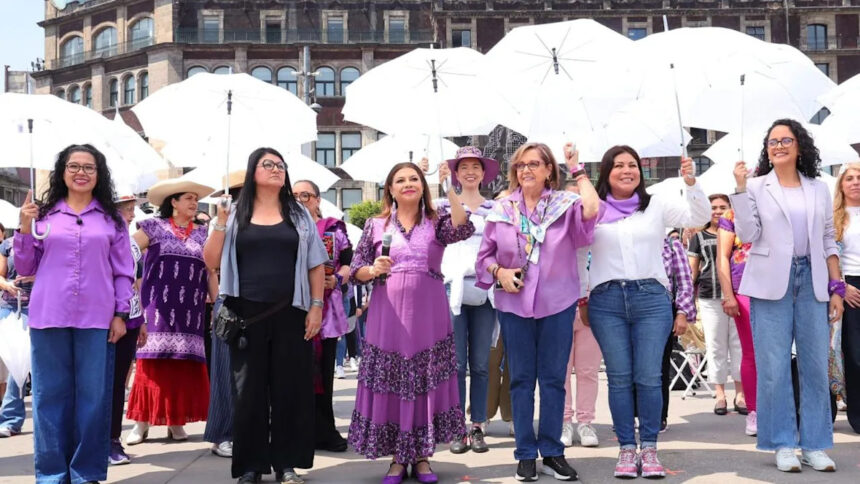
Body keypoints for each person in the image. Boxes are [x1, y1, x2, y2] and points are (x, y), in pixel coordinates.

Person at [476, 142, 599, 481]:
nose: (526, 170)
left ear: (548, 171)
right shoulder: (502, 209)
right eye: (520, 165)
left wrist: (578, 169)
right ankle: (525, 454)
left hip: (557, 303)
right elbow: (484, 258)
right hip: (515, 305)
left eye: (534, 164)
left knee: (553, 380)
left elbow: (592, 209)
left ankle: (553, 452)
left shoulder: (564, 205)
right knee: (520, 380)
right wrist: (499, 273)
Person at [584, 145, 709, 478]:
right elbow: (578, 253)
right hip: (606, 300)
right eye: (619, 165)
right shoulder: (593, 209)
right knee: (620, 377)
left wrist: (692, 184)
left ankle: (650, 448)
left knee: (650, 377)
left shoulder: (656, 203)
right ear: (606, 172)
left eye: (633, 165)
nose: (628, 170)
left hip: (651, 299)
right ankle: (626, 448)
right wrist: (583, 296)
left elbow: (698, 218)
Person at [203, 148, 326, 484]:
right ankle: (250, 466)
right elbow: (210, 260)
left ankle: (287, 463)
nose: (276, 169)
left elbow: (316, 263)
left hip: (292, 312)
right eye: (267, 164)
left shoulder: (299, 213)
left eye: (280, 165)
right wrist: (220, 223)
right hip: (246, 316)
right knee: (248, 394)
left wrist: (316, 306)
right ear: (252, 171)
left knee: (290, 390)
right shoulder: (235, 212)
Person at [348, 162, 474, 484]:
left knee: (424, 382)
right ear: (389, 189)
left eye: (414, 179)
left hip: (428, 316)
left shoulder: (437, 222)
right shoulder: (375, 225)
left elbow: (463, 225)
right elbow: (355, 269)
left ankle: (421, 458)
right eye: (400, 180)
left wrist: (448, 187)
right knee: (392, 385)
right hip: (386, 314)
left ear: (423, 186)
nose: (407, 184)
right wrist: (373, 269)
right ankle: (396, 459)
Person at [16, 144, 134, 483]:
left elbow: (124, 271)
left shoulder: (111, 220)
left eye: (89, 167)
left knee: (93, 401)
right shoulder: (44, 216)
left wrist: (120, 313)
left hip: (97, 320)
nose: (81, 172)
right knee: (49, 401)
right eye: (74, 166)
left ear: (99, 175)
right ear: (62, 172)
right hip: (48, 317)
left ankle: (85, 474)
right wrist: (24, 229)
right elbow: (24, 266)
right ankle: (52, 475)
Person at [729, 118, 842, 472]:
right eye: (772, 141)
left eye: (786, 140)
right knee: (774, 368)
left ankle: (815, 445)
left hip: (813, 280)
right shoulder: (756, 186)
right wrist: (739, 187)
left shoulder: (819, 188)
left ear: (799, 146)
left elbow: (827, 238)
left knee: (814, 368)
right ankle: (781, 443)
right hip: (769, 283)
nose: (778, 145)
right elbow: (747, 234)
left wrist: (836, 286)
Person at [125, 178, 215, 445]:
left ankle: (176, 421)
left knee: (183, 365)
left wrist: (217, 300)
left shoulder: (202, 233)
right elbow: (125, 250)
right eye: (188, 198)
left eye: (195, 198)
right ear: (173, 202)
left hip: (191, 310)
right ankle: (141, 423)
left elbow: (210, 270)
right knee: (151, 364)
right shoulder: (154, 227)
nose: (194, 202)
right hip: (156, 309)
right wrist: (127, 284)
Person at [434, 146, 500, 455]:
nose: (470, 172)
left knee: (482, 364)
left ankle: (479, 426)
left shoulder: (496, 208)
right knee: (457, 363)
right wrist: (428, 177)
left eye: (476, 166)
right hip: (454, 290)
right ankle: (456, 426)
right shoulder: (443, 204)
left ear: (483, 173)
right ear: (456, 173)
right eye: (464, 167)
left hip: (486, 290)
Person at [293, 178, 351, 453]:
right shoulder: (283, 228)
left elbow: (349, 264)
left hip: (326, 312)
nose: (301, 200)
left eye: (306, 195)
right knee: (293, 377)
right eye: (294, 196)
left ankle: (325, 430)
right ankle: (295, 432)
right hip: (291, 310)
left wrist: (336, 279)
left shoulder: (333, 229)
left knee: (324, 373)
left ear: (317, 199)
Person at [688, 194, 746, 415]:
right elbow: (692, 270)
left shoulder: (738, 233)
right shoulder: (699, 237)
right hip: (710, 296)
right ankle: (720, 394)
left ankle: (740, 393)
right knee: (715, 346)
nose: (718, 211)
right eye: (713, 207)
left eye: (723, 207)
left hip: (738, 294)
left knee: (738, 346)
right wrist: (687, 300)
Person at [560, 181, 602, 449]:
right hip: (560, 305)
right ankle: (563, 421)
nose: (577, 205)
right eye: (570, 200)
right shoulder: (556, 232)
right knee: (560, 371)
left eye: (581, 200)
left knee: (588, 370)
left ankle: (585, 422)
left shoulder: (598, 230)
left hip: (592, 304)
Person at [108, 192, 148, 465]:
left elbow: (135, 281)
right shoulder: (104, 234)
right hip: (107, 318)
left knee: (119, 382)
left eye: (133, 208)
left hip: (131, 317)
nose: (132, 214)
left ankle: (112, 439)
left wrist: (141, 318)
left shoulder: (131, 240)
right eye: (126, 208)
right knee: (104, 385)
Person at [717, 207, 758, 436]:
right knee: (751, 352)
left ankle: (782, 410)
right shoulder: (732, 214)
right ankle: (754, 411)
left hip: (779, 285)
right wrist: (728, 295)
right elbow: (722, 256)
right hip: (743, 286)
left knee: (779, 354)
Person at [0, 230, 33, 439]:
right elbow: (0, 275)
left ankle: (43, 421)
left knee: (35, 365)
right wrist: (7, 285)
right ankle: (10, 419)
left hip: (39, 308)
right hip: (9, 308)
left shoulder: (46, 241)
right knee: (13, 363)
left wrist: (36, 278)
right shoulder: (8, 244)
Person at [835, 162, 860, 435]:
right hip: (848, 286)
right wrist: (841, 287)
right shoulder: (835, 218)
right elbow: (828, 255)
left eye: (859, 177)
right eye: (849, 178)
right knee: (854, 355)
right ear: (841, 185)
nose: (855, 182)